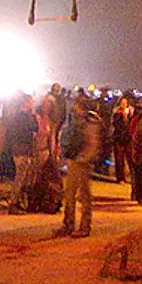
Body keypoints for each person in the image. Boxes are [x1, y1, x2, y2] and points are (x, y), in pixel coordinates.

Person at [57, 96, 103, 237]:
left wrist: (84, 158)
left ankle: (84, 226)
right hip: (74, 160)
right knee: (69, 194)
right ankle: (68, 223)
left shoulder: (91, 123)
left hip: (82, 163)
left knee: (84, 196)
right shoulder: (77, 121)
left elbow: (93, 145)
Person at [6, 94, 38, 213]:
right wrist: (33, 115)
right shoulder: (24, 117)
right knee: (20, 177)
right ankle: (14, 202)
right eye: (31, 101)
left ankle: (17, 201)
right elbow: (34, 127)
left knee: (21, 176)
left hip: (18, 147)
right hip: (22, 148)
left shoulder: (16, 116)